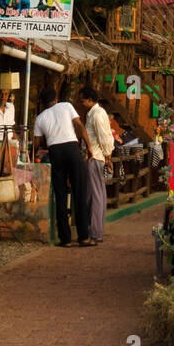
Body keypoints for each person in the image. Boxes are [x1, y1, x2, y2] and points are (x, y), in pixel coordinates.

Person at [32, 88, 93, 247]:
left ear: (42, 103)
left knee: (60, 194)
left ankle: (65, 239)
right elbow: (79, 125)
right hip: (72, 148)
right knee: (79, 191)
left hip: (55, 152)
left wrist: (33, 155)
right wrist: (89, 146)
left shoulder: (40, 118)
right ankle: (84, 237)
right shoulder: (66, 106)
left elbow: (37, 143)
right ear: (56, 98)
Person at [78, 85, 114, 245]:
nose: (81, 103)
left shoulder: (97, 115)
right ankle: (96, 231)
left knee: (95, 195)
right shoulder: (94, 113)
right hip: (97, 157)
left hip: (95, 158)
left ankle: (95, 232)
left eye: (82, 100)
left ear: (89, 100)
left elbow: (104, 137)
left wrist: (107, 156)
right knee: (97, 194)